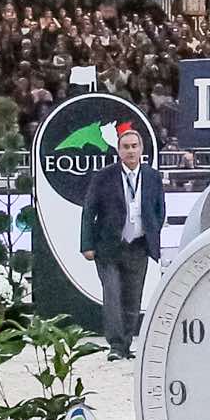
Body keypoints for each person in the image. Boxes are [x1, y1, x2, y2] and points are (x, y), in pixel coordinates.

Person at [75, 126, 165, 360]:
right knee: (113, 294)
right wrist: (87, 244)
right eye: (126, 147)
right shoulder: (104, 176)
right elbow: (89, 210)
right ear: (118, 150)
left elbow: (159, 209)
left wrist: (152, 233)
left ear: (141, 149)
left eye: (134, 146)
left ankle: (126, 343)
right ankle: (115, 345)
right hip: (109, 246)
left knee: (133, 297)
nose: (130, 151)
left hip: (138, 245)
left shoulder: (153, 176)